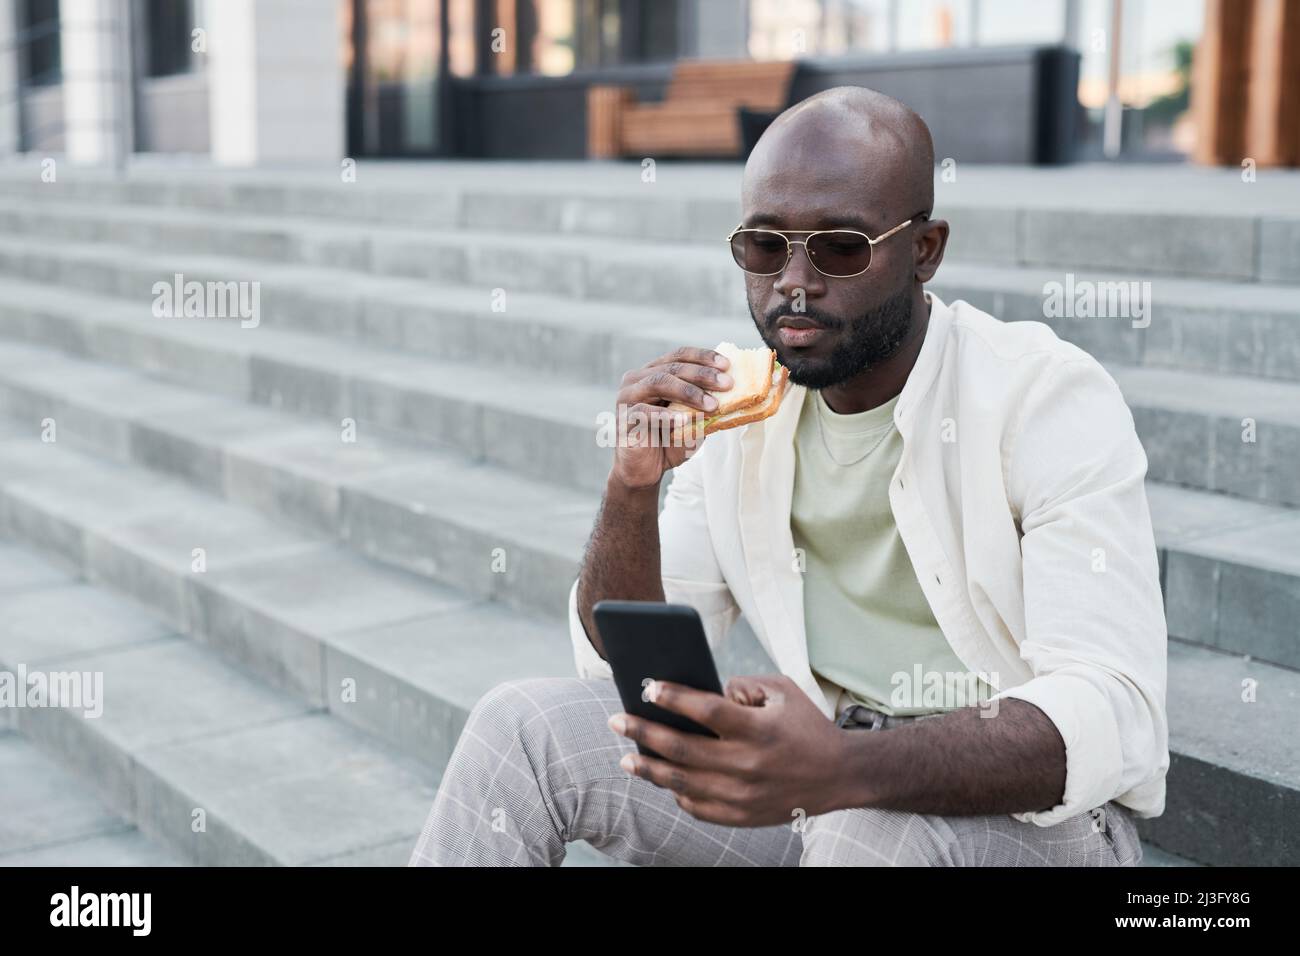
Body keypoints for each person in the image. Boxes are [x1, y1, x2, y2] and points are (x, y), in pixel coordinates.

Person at [409, 86, 1167, 867]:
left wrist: (844, 768)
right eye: (765, 246)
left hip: (1040, 820)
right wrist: (630, 490)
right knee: (521, 728)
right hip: (826, 778)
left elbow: (1113, 711)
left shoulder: (1044, 398)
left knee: (864, 827)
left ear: (925, 250)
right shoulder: (741, 415)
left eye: (840, 247)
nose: (794, 281)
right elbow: (626, 668)